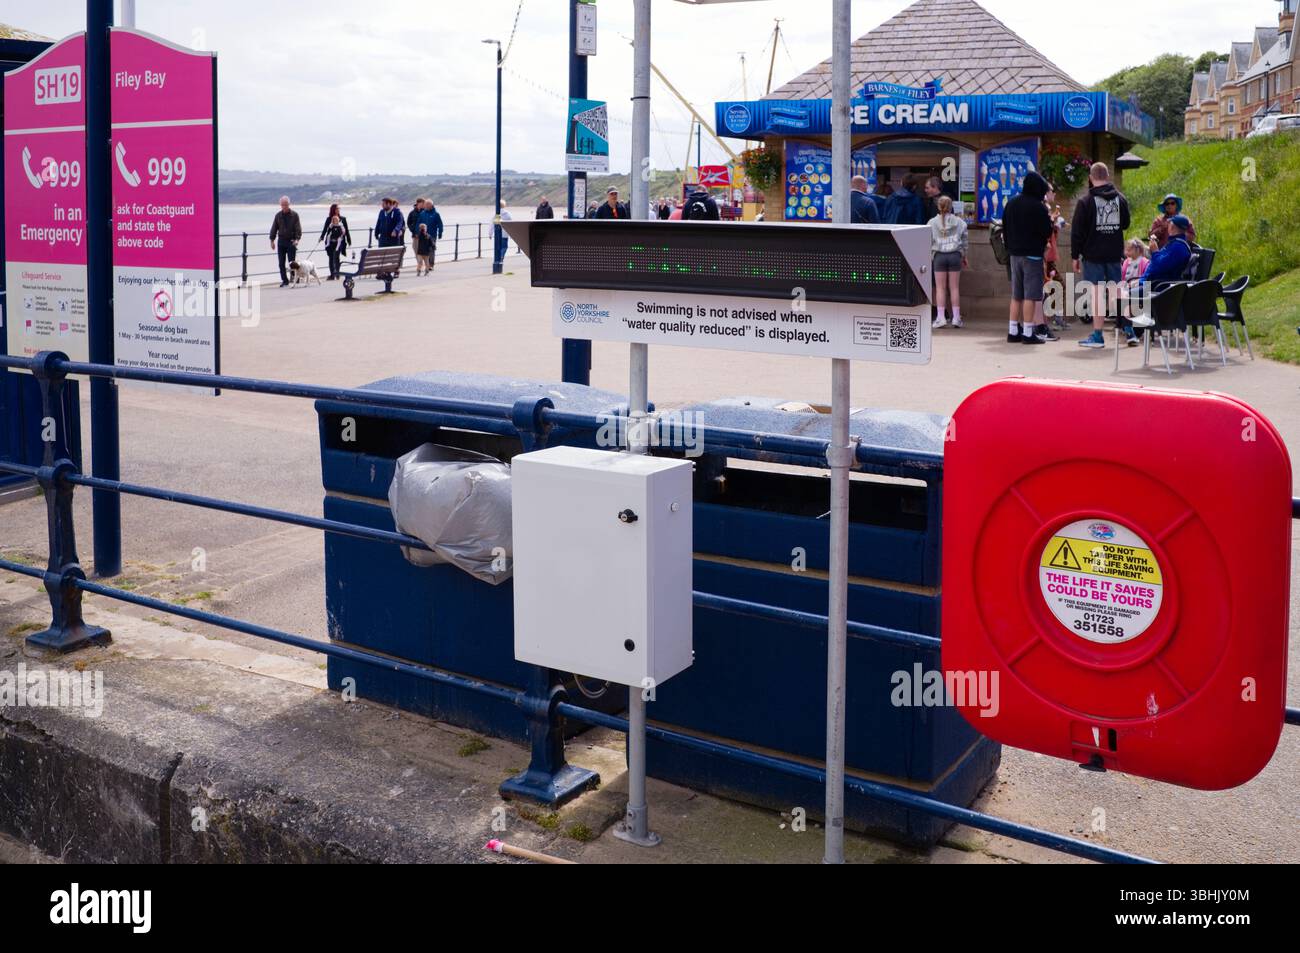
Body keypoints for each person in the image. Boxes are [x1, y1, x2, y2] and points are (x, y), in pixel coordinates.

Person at [1071, 162, 1132, 349]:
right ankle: (1130, 331)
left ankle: (1098, 336)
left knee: (1098, 295)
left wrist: (1075, 256)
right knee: (1118, 291)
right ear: (1107, 177)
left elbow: (1077, 232)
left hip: (1093, 255)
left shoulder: (1085, 202)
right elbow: (1126, 224)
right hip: (1114, 254)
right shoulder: (1120, 199)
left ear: (1091, 178)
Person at [1001, 170, 1054, 344]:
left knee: (1016, 295)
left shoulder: (1011, 203)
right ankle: (1029, 332)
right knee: (1030, 295)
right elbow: (1047, 231)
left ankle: (1013, 330)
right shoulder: (1038, 207)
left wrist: (1010, 248)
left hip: (1014, 255)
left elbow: (1005, 228)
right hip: (1032, 255)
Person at [928, 195, 967, 328]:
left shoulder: (932, 222)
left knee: (940, 288)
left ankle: (940, 317)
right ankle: (956, 318)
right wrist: (964, 255)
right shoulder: (960, 222)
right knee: (954, 288)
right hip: (955, 255)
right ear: (952, 207)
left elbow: (928, 240)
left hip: (939, 256)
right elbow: (964, 241)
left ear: (938, 207)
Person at [1140, 215, 1192, 285]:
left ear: (1172, 226)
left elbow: (1159, 267)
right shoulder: (1174, 243)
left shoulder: (1178, 247)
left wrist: (1155, 251)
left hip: (1154, 287)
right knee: (1121, 290)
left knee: (1122, 293)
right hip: (1148, 283)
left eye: (1169, 223)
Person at [269, 196, 302, 287]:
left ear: (289, 204)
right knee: (281, 262)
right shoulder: (278, 215)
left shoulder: (295, 215)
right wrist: (272, 240)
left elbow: (298, 228)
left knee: (292, 262)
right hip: (281, 242)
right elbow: (274, 228)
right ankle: (284, 280)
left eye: (286, 205)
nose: (284, 206)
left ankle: (295, 277)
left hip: (291, 241)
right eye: (282, 205)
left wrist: (297, 239)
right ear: (280, 205)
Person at [319, 203, 350, 281]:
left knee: (336, 258)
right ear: (333, 209)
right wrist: (321, 237)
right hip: (330, 242)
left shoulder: (343, 219)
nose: (338, 210)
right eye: (337, 208)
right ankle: (332, 275)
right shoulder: (329, 219)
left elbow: (346, 230)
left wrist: (349, 239)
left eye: (339, 208)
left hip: (339, 242)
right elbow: (325, 229)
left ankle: (337, 274)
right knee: (330, 258)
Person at [417, 201, 444, 271]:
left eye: (426, 205)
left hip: (432, 235)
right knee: (423, 250)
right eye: (425, 205)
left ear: (430, 205)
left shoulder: (436, 214)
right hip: (423, 236)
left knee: (431, 250)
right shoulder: (422, 213)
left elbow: (440, 224)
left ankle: (431, 265)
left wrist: (440, 233)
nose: (425, 206)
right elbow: (418, 223)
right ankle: (423, 265)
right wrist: (417, 232)